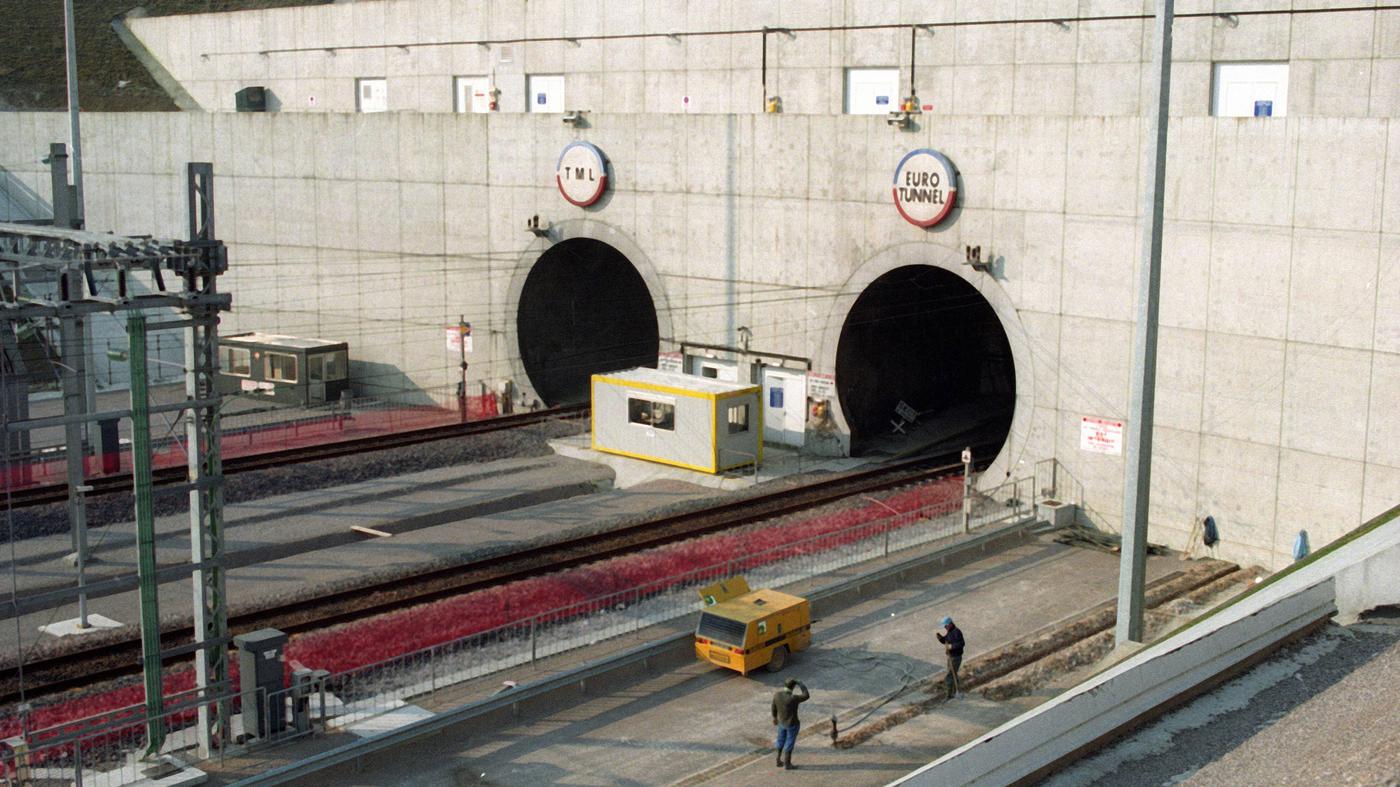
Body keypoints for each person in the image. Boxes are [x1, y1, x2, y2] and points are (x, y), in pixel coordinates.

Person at [771, 677, 810, 770]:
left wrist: (775, 718)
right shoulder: (793, 698)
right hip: (792, 724)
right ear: (793, 688)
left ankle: (778, 760)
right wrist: (801, 684)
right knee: (789, 742)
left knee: (780, 740)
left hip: (781, 722)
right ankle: (787, 764)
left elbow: (773, 708)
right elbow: (806, 695)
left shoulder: (777, 695)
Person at [937, 616, 964, 699]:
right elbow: (946, 641)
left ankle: (949, 694)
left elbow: (961, 643)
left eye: (946, 626)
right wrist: (941, 639)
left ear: (950, 624)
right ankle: (956, 690)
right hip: (951, 657)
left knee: (949, 676)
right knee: (953, 674)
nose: (945, 628)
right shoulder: (950, 632)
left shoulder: (957, 632)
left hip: (956, 657)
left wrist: (952, 646)